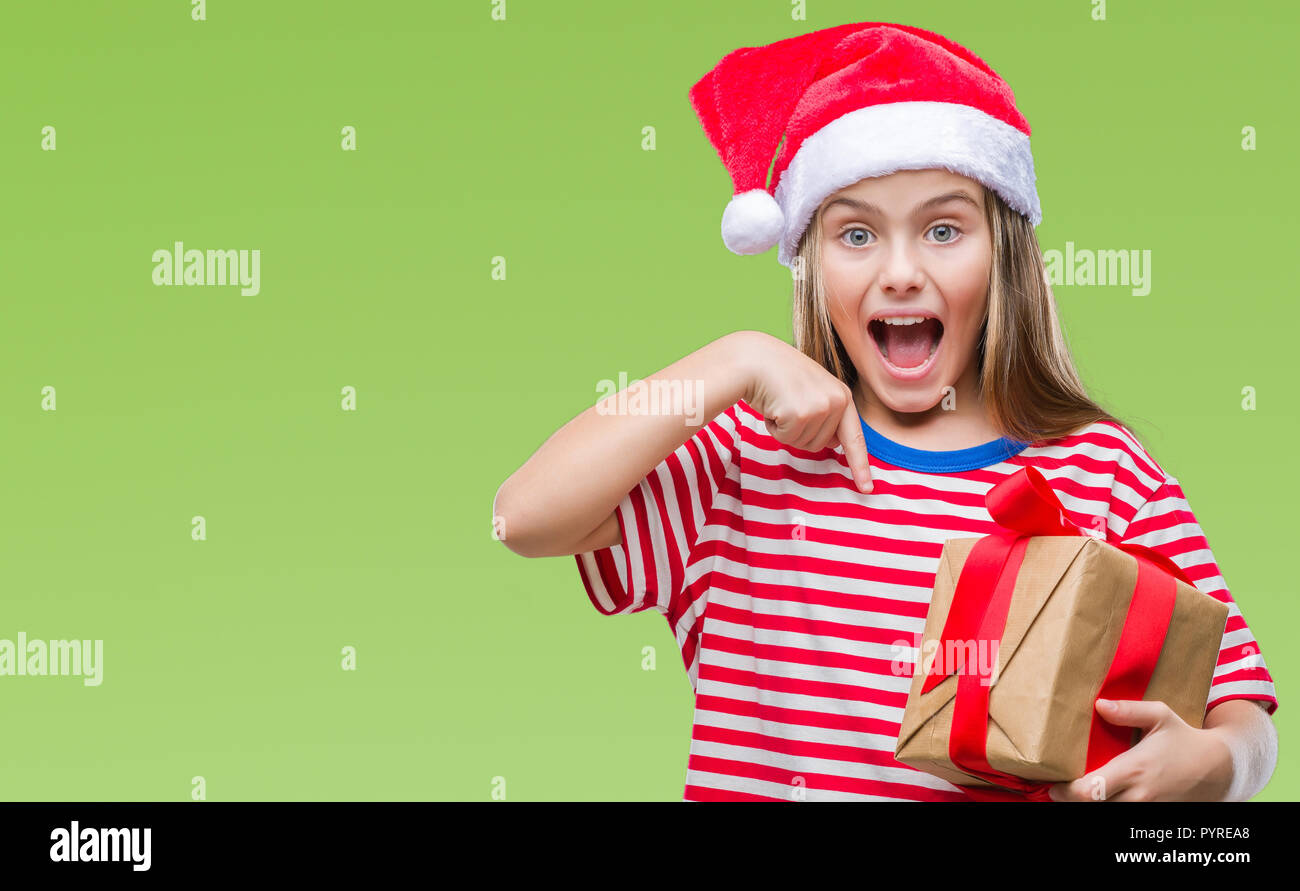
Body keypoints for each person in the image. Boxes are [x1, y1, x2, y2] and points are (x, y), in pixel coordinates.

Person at [493, 22, 1278, 801]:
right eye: (857, 233)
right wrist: (734, 358)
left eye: (943, 229)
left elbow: (1241, 709)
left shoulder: (1104, 474)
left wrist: (1218, 767)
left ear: (1002, 253)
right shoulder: (742, 461)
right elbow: (524, 517)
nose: (901, 272)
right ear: (810, 264)